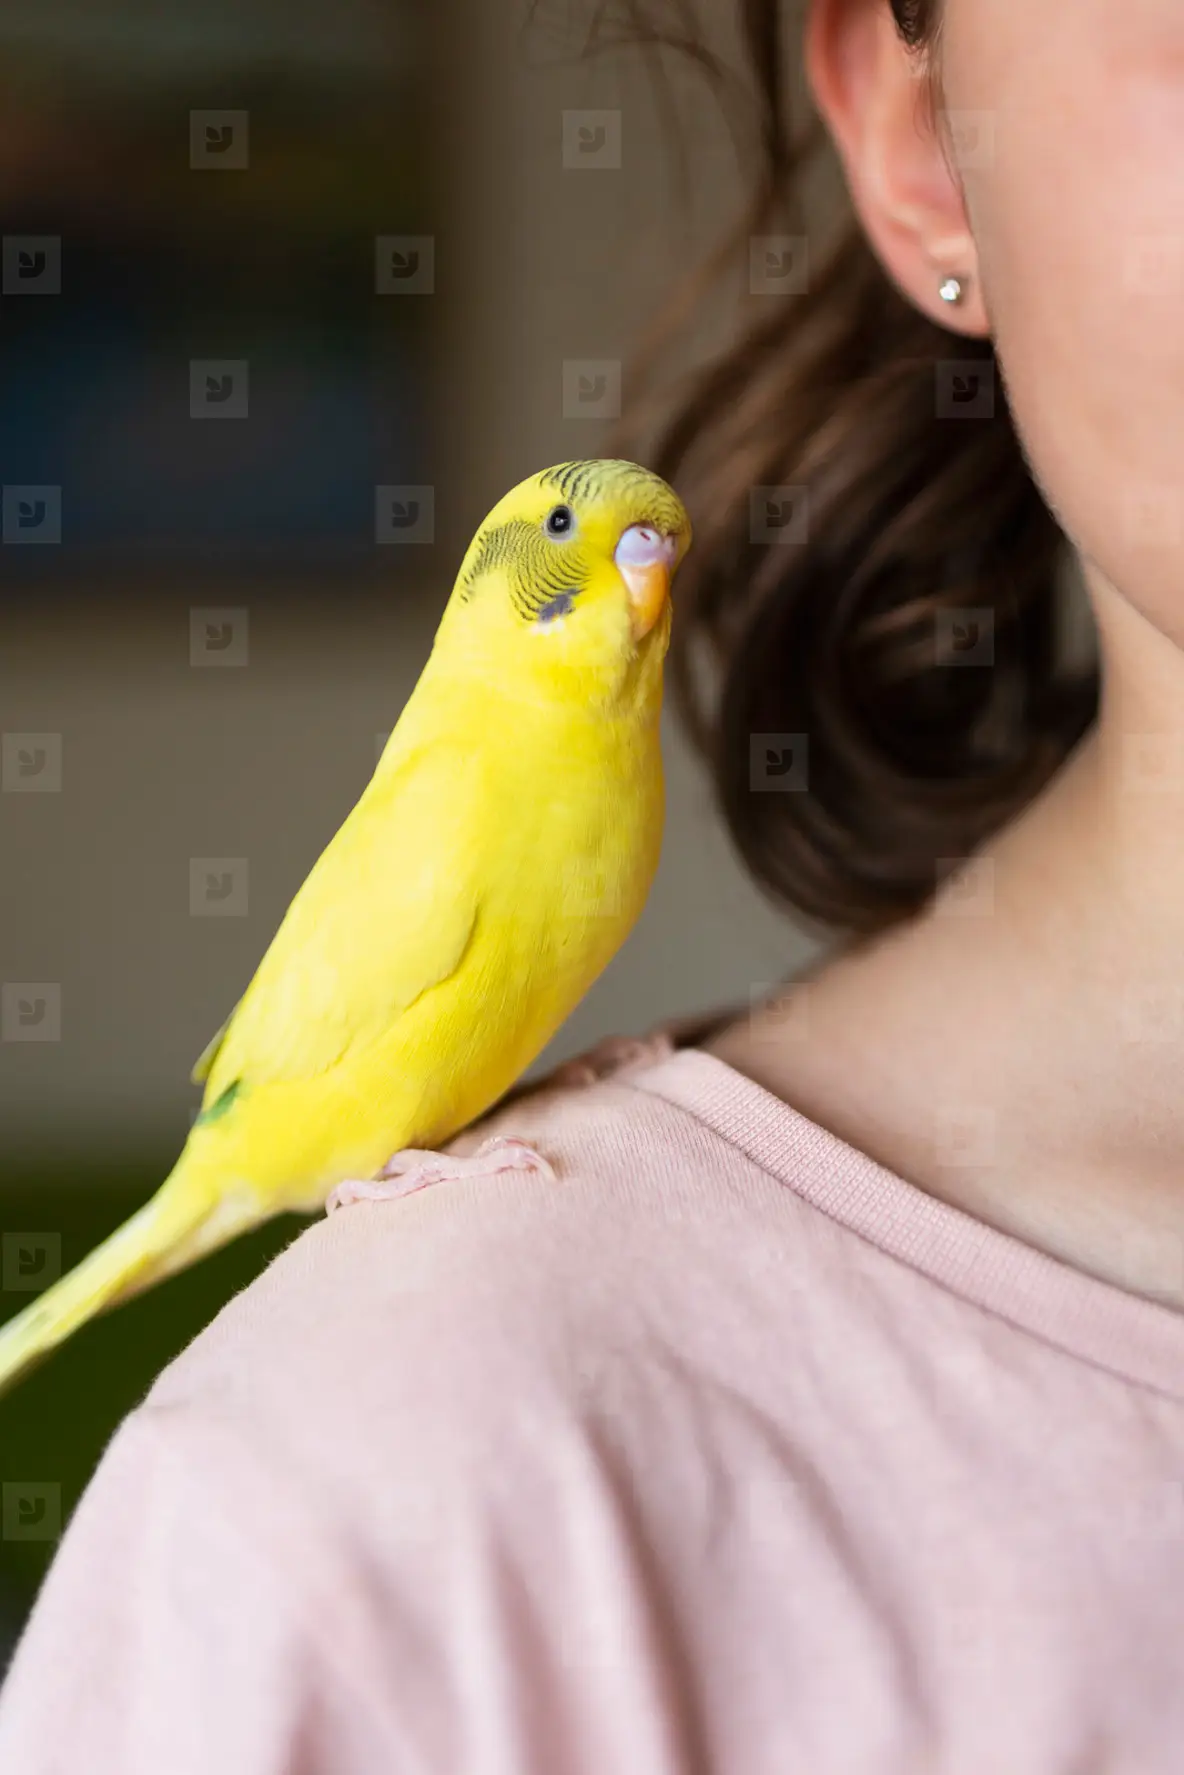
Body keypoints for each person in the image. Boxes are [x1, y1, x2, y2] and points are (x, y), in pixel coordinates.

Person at [4, 0, 1184, 1765]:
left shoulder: (611, 788)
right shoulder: (366, 1506)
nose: (632, 575)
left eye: (649, 551)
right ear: (927, 143)